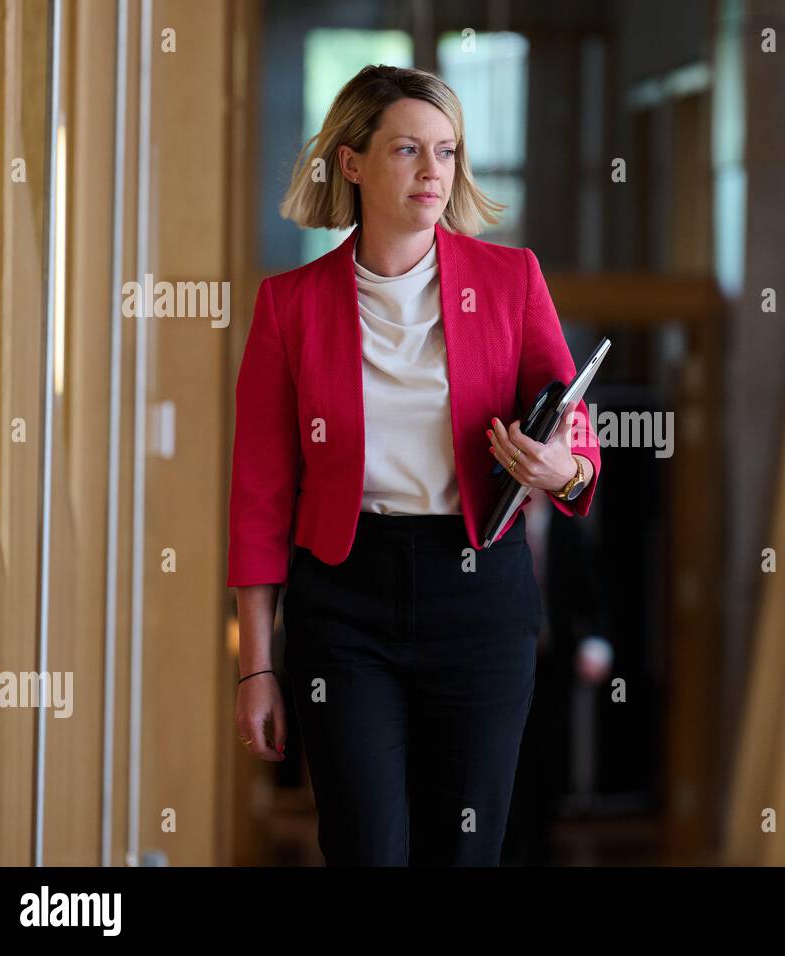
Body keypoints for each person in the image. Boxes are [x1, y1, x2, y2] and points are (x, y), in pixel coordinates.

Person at [227, 65, 601, 866]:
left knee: (463, 853)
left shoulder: (511, 280)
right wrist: (254, 665)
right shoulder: (287, 306)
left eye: (447, 151)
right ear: (352, 162)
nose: (434, 171)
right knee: (366, 848)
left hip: (479, 599)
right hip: (343, 602)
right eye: (408, 149)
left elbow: (579, 443)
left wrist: (558, 469)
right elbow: (258, 499)